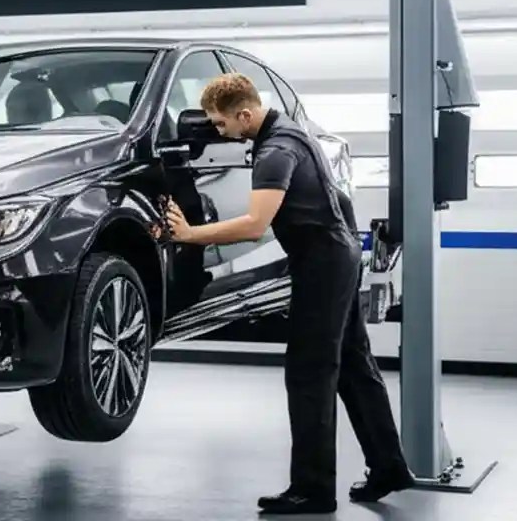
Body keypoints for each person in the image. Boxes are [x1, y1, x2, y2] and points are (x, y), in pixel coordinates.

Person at [162, 72, 415, 515]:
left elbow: (254, 225)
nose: (220, 133)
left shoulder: (275, 151)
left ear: (245, 114)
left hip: (323, 263)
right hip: (339, 253)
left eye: (221, 125)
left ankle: (313, 490)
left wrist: (188, 233)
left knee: (309, 373)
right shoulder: (293, 132)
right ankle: (389, 467)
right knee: (355, 366)